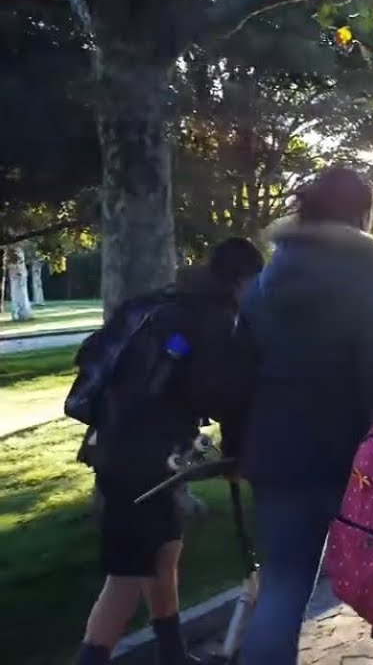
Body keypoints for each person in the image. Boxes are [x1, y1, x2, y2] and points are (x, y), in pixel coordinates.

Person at [234, 168, 373, 664]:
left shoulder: (266, 280)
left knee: (284, 584)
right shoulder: (371, 281)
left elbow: (240, 368)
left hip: (274, 448)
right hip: (350, 453)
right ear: (361, 213)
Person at [75, 238, 264, 665]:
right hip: (144, 458)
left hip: (114, 443)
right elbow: (224, 396)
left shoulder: (163, 302)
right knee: (126, 574)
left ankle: (173, 654)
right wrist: (236, 451)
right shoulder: (212, 317)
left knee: (165, 548)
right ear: (243, 280)